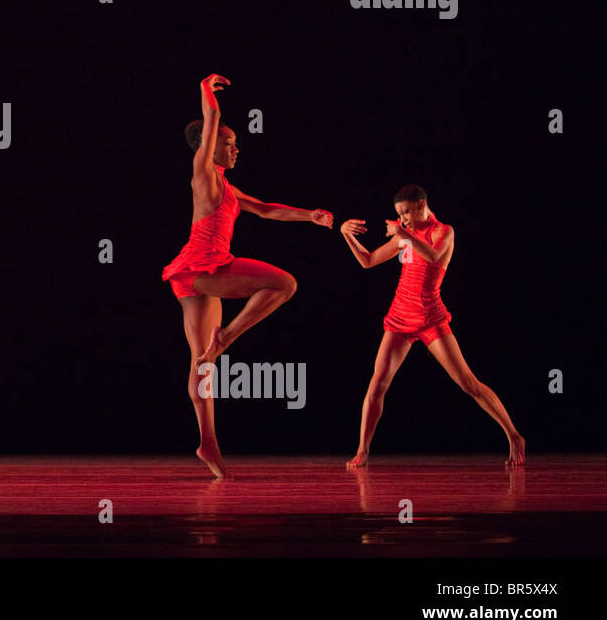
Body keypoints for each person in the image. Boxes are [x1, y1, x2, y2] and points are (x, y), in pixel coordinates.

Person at [162, 74, 333, 477]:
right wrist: (205, 88)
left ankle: (208, 444)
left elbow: (268, 209)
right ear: (207, 145)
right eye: (227, 142)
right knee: (285, 284)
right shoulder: (203, 172)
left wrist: (309, 215)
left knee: (201, 364)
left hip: (191, 277)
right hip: (205, 266)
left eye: (235, 142)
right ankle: (227, 337)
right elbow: (211, 117)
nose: (235, 147)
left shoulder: (228, 187)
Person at [340, 186, 525, 467]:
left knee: (467, 383)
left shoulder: (443, 232)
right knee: (377, 383)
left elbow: (434, 257)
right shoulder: (407, 235)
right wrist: (346, 235)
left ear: (421, 205)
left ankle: (514, 436)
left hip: (430, 317)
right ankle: (362, 451)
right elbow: (368, 261)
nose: (403, 219)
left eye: (405, 212)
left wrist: (404, 235)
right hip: (400, 316)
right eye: (399, 215)